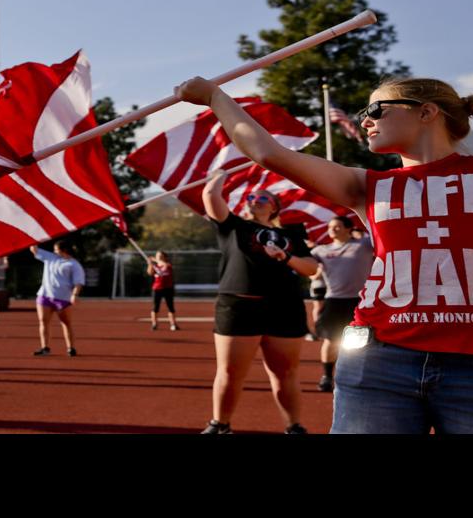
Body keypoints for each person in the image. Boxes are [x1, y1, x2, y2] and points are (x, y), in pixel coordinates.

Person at [173, 74, 473, 433]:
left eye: (377, 110)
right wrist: (215, 97)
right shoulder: (367, 185)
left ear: (427, 112)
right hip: (380, 362)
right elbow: (266, 153)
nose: (366, 120)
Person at [197, 174, 319, 435]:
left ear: (274, 206)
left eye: (263, 198)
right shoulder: (233, 226)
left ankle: (294, 426)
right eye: (251, 197)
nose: (256, 200)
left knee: (285, 373)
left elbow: (311, 268)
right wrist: (227, 172)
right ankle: (221, 424)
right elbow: (210, 195)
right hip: (240, 307)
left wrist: (285, 257)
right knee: (230, 372)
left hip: (284, 308)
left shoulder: (290, 234)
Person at [308, 216, 376, 392]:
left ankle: (357, 376)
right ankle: (327, 376)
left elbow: (380, 237)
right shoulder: (320, 251)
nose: (333, 229)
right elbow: (309, 271)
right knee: (331, 340)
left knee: (361, 342)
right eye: (330, 226)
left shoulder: (364, 245)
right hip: (334, 301)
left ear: (348, 229)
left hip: (360, 301)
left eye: (338, 226)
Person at [30, 240, 86, 357]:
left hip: (63, 298)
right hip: (45, 295)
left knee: (66, 323)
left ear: (64, 250)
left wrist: (74, 295)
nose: (54, 252)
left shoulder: (73, 265)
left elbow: (78, 283)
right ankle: (45, 347)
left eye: (57, 250)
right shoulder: (50, 257)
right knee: (43, 321)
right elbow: (34, 249)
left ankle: (71, 348)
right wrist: (34, 238)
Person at [147, 250, 179, 331]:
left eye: (160, 256)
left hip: (168, 288)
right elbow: (150, 273)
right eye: (158, 256)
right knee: (155, 307)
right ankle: (154, 324)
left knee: (170, 307)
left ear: (165, 257)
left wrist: (155, 260)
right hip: (157, 288)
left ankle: (173, 324)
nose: (159, 257)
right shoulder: (155, 266)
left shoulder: (168, 265)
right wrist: (150, 264)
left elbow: (165, 266)